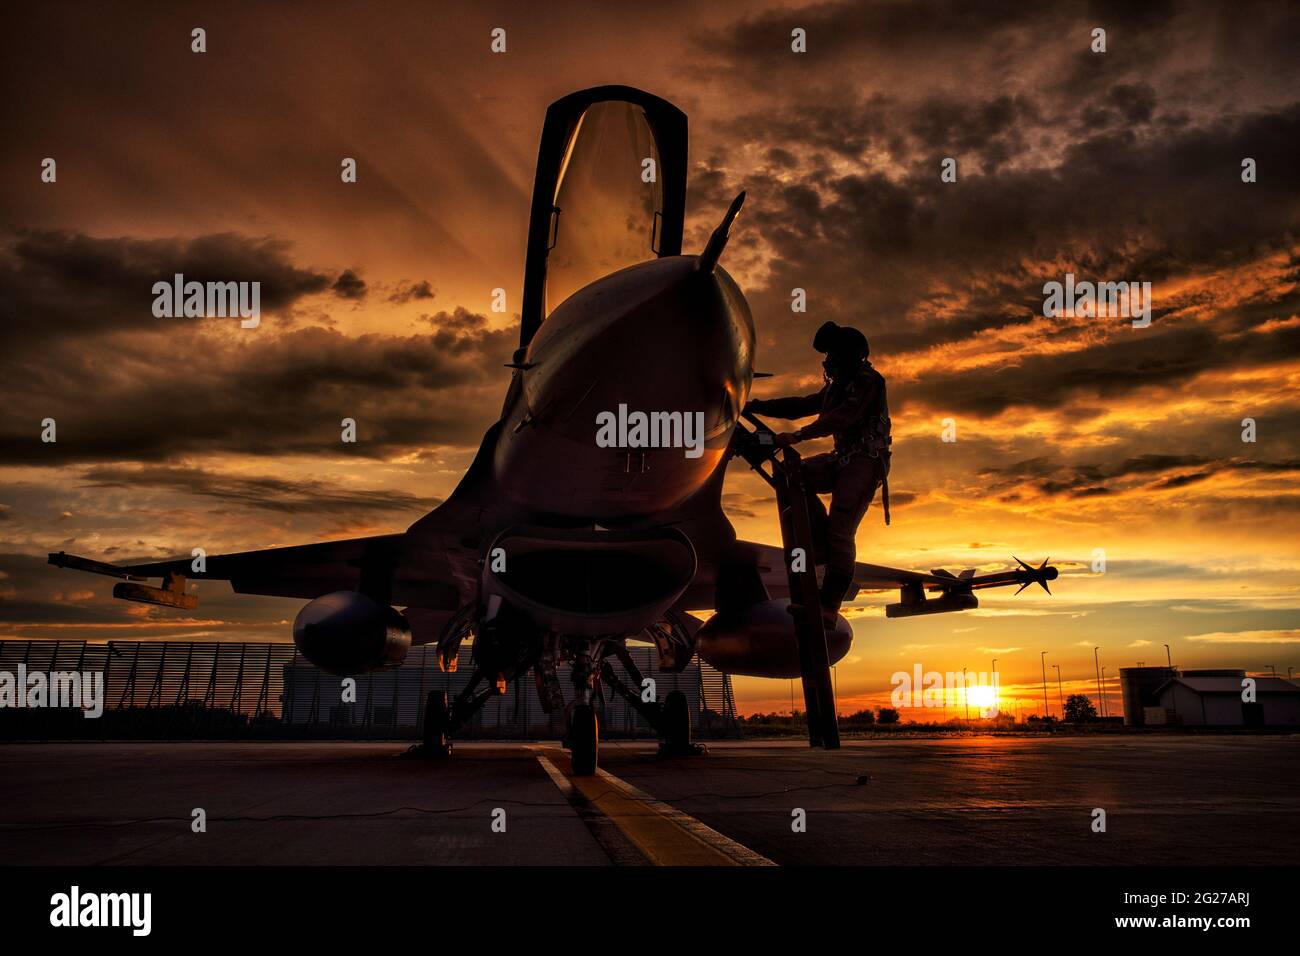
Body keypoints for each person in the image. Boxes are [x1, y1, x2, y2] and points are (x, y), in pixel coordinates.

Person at [747, 321, 892, 623]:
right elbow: (800, 405)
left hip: (864, 462)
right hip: (842, 460)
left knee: (841, 530)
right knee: (791, 475)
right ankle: (819, 544)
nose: (827, 362)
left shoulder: (869, 381)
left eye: (832, 355)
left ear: (848, 356)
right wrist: (753, 406)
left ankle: (829, 606)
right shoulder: (836, 388)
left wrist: (799, 436)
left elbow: (842, 417)